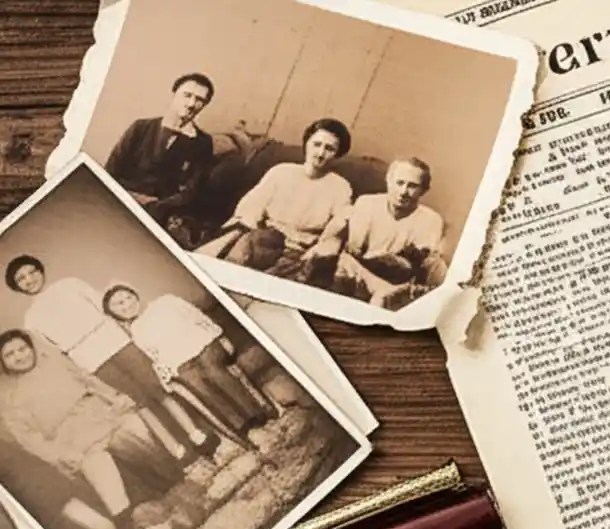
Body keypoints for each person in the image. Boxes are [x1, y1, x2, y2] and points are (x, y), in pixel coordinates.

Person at [5, 256, 213, 462]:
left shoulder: (70, 284)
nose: (29, 279)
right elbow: (55, 351)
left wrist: (129, 332)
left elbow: (106, 308)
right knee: (136, 402)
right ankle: (174, 448)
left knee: (158, 387)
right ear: (17, 286)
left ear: (41, 271)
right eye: (22, 278)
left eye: (32, 272)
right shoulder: (31, 319)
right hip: (90, 360)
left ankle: (195, 433)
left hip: (117, 342)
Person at [0, 330, 168, 529]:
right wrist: (59, 454)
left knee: (132, 427)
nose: (19, 356)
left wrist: (114, 396)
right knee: (93, 460)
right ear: (3, 363)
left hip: (99, 414)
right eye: (9, 354)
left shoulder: (56, 364)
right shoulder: (10, 399)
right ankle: (126, 528)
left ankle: (170, 481)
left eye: (22, 348)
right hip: (71, 438)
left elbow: (87, 379)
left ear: (31, 348)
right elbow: (30, 439)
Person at [102, 284, 270, 438]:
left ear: (135, 295)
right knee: (196, 384)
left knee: (213, 372)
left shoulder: (166, 302)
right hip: (181, 361)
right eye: (119, 305)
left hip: (206, 344)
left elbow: (197, 315)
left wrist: (220, 336)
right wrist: (167, 375)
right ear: (115, 315)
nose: (127, 305)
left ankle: (255, 412)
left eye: (128, 298)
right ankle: (241, 424)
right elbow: (155, 356)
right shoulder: (137, 332)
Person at [197, 118, 354, 281]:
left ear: (337, 154)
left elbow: (338, 227)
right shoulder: (281, 172)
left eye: (329, 149)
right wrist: (250, 228)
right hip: (266, 240)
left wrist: (318, 248)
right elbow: (251, 208)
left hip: (300, 253)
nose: (320, 153)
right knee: (239, 256)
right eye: (317, 144)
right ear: (307, 143)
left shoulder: (340, 187)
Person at [303, 157, 448, 310]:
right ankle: (381, 291)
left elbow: (411, 266)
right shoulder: (367, 203)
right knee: (341, 259)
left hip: (398, 280)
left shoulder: (431, 219)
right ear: (388, 181)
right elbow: (355, 249)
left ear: (424, 190)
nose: (404, 192)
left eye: (412, 186)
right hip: (357, 269)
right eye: (399, 183)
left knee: (437, 266)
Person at [104, 73, 216, 244]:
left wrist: (156, 206)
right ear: (174, 94)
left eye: (200, 100)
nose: (192, 104)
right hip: (119, 199)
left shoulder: (202, 142)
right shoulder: (140, 127)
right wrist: (124, 197)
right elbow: (111, 170)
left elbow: (191, 191)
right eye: (187, 95)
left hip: (159, 212)